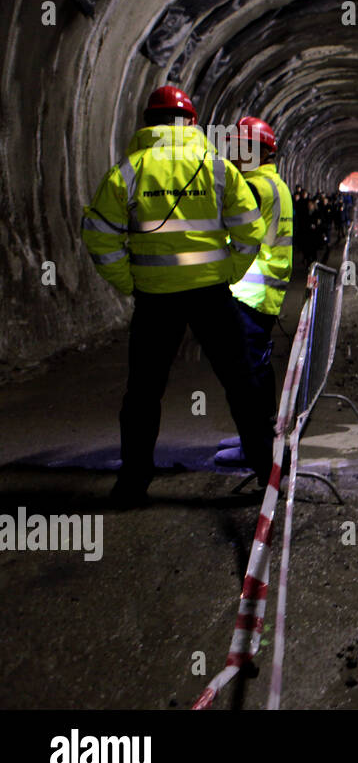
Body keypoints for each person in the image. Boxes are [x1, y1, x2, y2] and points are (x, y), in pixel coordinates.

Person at [81, 85, 272, 505]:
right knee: (242, 384)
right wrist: (230, 271)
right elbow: (250, 228)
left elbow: (99, 236)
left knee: (144, 392)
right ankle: (265, 469)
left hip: (155, 299)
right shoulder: (218, 168)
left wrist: (128, 281)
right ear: (191, 121)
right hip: (211, 295)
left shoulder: (129, 172)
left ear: (148, 122)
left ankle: (133, 484)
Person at [215, 117, 293, 469]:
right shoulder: (274, 184)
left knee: (247, 375)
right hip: (266, 291)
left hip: (249, 291)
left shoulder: (254, 188)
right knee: (258, 369)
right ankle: (257, 435)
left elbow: (235, 236)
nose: (234, 153)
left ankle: (256, 448)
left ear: (262, 150)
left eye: (242, 147)